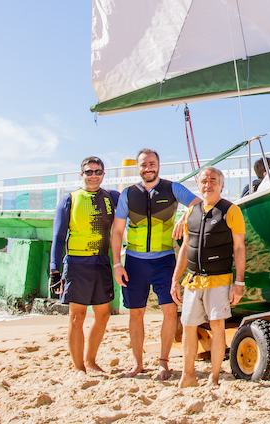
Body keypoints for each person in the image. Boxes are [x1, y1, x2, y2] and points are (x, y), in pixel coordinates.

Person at [111, 149, 202, 380]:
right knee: (135, 313)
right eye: (143, 165)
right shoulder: (128, 194)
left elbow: (199, 204)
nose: (147, 168)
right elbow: (117, 231)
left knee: (170, 311)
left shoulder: (173, 189)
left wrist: (184, 215)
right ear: (138, 167)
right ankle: (138, 363)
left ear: (158, 166)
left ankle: (163, 362)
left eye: (151, 164)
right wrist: (117, 264)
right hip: (134, 262)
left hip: (164, 261)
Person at [171, 166, 245, 387]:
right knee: (189, 326)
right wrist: (175, 279)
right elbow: (185, 248)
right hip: (193, 280)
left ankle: (214, 376)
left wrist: (239, 283)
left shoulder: (231, 211)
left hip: (219, 279)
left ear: (221, 185)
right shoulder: (191, 213)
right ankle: (188, 374)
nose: (208, 184)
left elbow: (239, 247)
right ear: (199, 185)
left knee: (217, 326)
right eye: (204, 181)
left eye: (213, 180)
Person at [49, 157, 119, 376]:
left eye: (98, 171)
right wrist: (54, 271)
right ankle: (78, 366)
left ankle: (90, 361)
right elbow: (59, 237)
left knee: (104, 314)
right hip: (77, 264)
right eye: (89, 172)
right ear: (82, 175)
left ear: (103, 174)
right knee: (77, 316)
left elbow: (138, 203)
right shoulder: (69, 200)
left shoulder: (112, 197)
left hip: (101, 262)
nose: (94, 175)